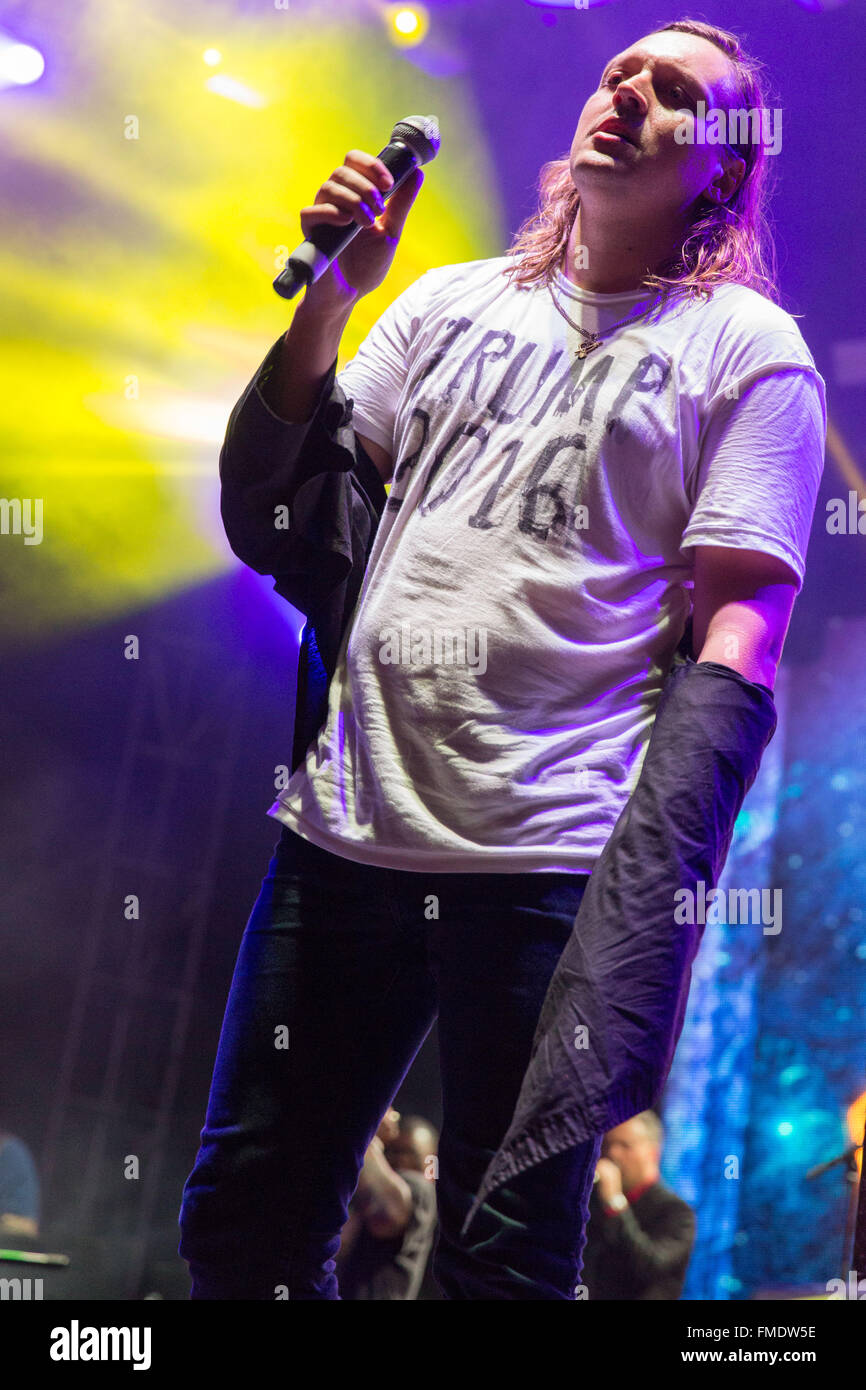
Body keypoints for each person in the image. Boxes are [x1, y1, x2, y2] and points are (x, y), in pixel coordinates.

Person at [178, 18, 826, 1300]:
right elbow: (281, 502)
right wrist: (335, 289)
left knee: (503, 1257)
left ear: (719, 168)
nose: (628, 93)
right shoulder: (446, 302)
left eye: (673, 93)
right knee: (243, 1222)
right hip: (342, 839)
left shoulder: (745, 350)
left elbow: (739, 628)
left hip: (550, 867)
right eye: (615, 74)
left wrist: (654, 887)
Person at [581, 1111, 695, 1300]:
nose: (613, 1154)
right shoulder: (595, 1203)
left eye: (625, 1146)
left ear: (653, 1153)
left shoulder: (677, 1212)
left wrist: (615, 1202)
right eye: (609, 1145)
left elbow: (650, 1266)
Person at [335, 1108, 438, 1300]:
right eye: (391, 1152)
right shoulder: (362, 1195)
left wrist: (366, 1134)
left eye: (409, 1153)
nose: (399, 1160)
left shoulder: (421, 1188)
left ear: (431, 1158)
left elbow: (387, 1213)